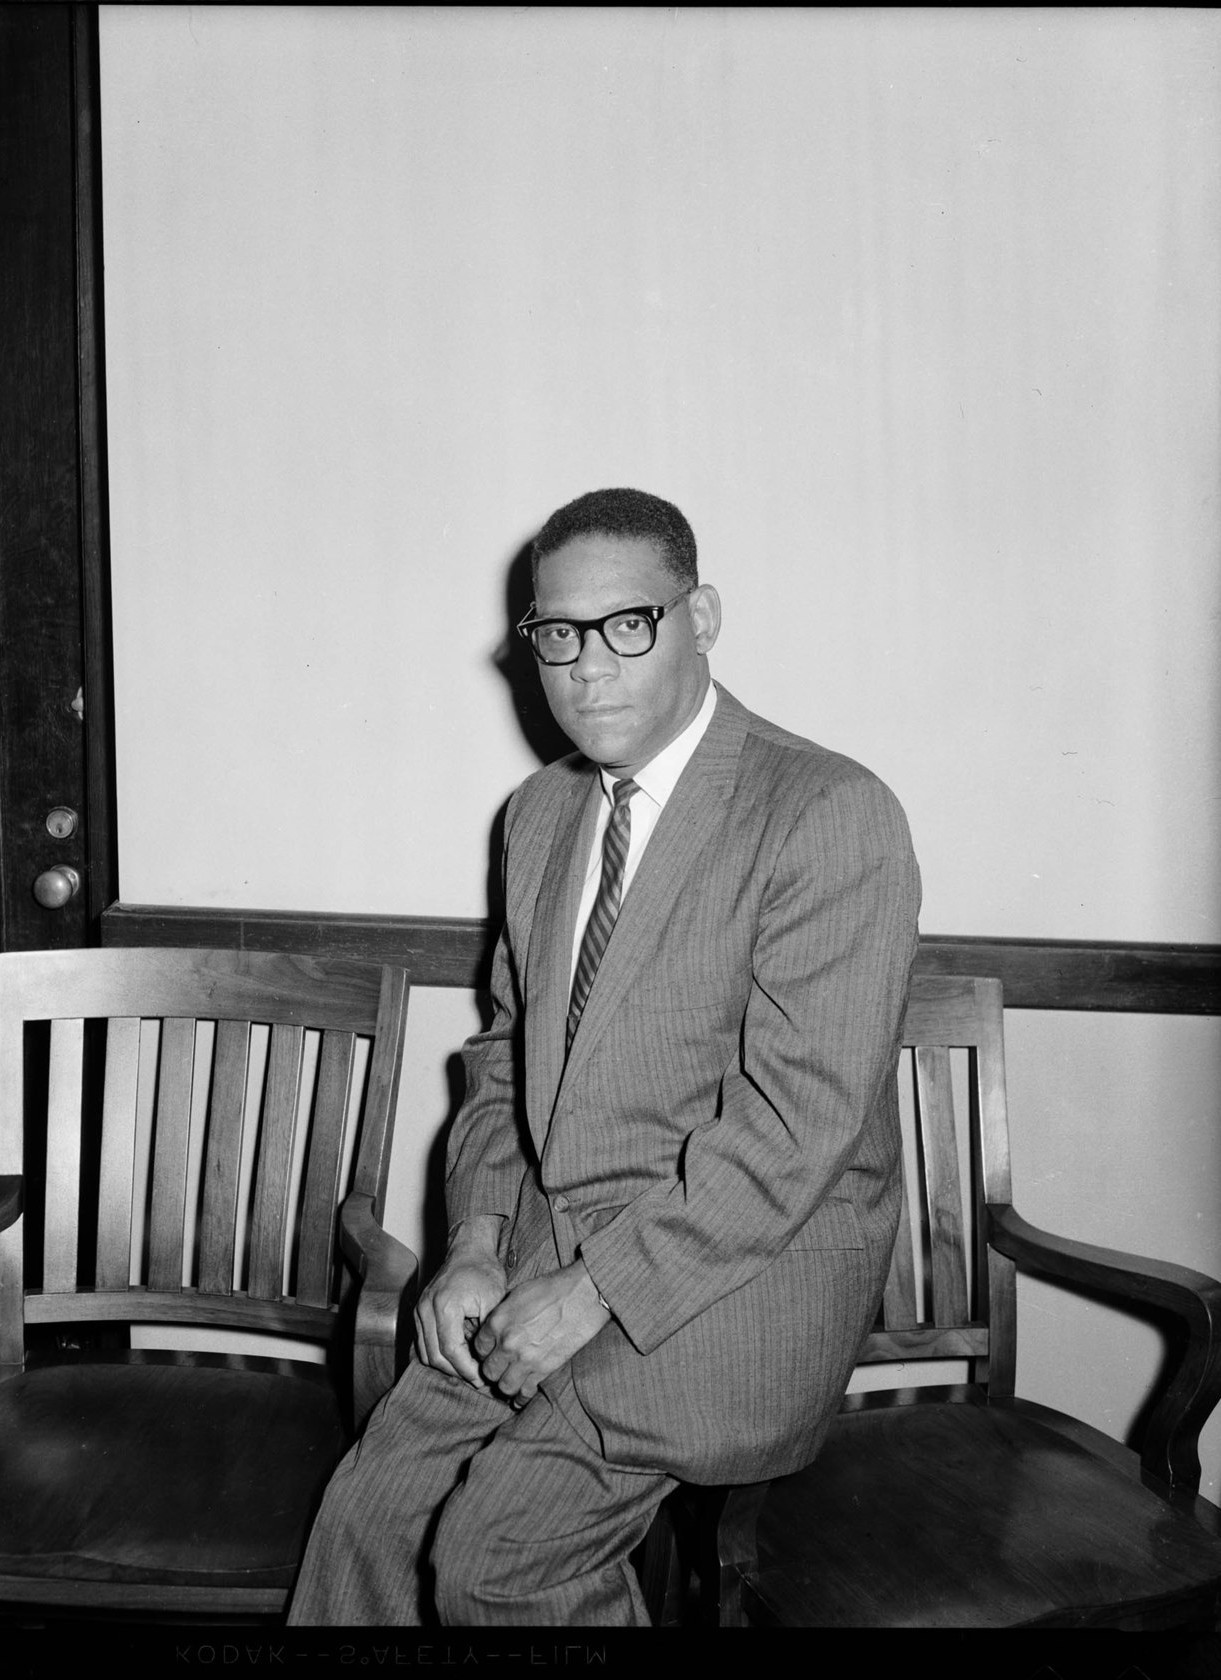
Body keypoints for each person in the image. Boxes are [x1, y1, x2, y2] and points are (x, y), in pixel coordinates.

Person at [288, 487, 921, 1627]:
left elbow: (796, 1128)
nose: (587, 668)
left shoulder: (826, 809)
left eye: (627, 625)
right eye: (557, 634)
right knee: (368, 1517)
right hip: (545, 1256)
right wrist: (475, 1245)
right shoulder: (538, 816)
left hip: (735, 1288)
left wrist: (590, 1293)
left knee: (495, 1561)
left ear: (701, 617)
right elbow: (503, 1057)